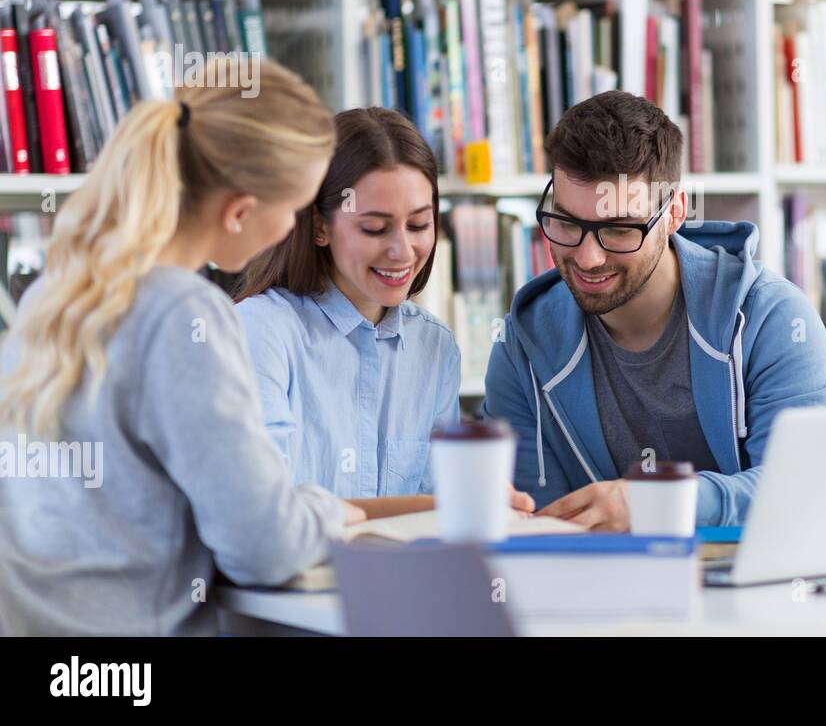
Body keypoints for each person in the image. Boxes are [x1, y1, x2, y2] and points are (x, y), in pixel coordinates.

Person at [0, 60, 365, 635]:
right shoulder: (180, 314)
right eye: (294, 210)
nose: (295, 228)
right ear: (240, 211)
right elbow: (264, 547)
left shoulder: (56, 292)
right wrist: (329, 511)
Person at [483, 91, 826, 530]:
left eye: (618, 230)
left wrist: (662, 503)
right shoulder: (524, 346)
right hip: (602, 593)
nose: (589, 258)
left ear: (674, 213)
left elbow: (805, 489)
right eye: (568, 224)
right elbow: (541, 527)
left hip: (760, 591)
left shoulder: (774, 319)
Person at [236, 107, 533, 519]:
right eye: (375, 228)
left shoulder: (434, 346)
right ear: (320, 226)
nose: (402, 251)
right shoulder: (262, 330)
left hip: (404, 579)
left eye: (418, 225)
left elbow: (436, 516)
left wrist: (472, 496)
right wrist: (453, 506)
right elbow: (268, 512)